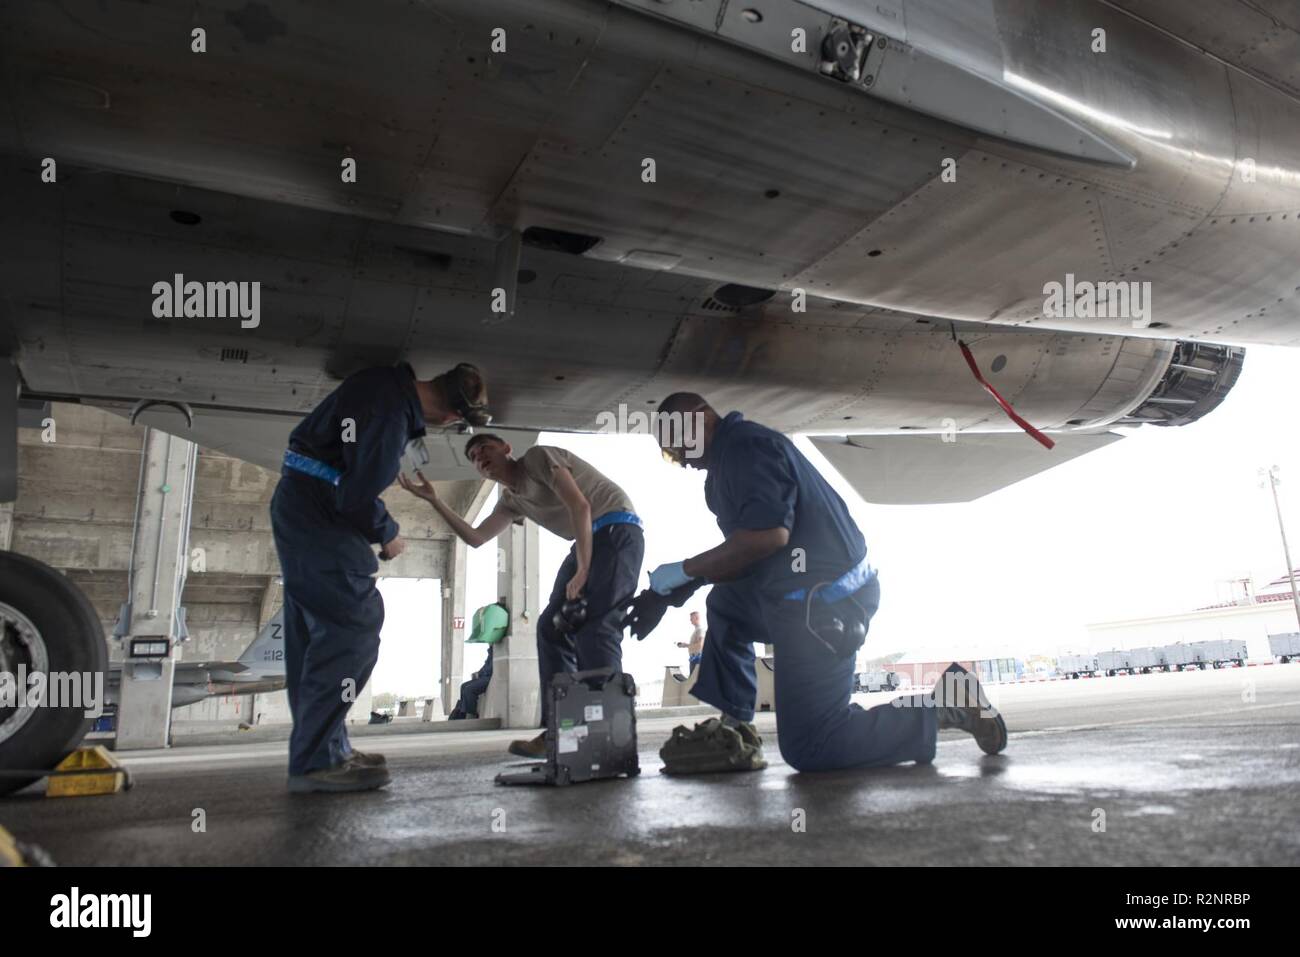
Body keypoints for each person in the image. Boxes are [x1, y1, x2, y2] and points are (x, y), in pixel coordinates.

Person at [645, 392, 1007, 774]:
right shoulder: (723, 471)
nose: (682, 461)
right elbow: (747, 557)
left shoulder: (747, 447)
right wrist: (676, 589)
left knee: (812, 746)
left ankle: (949, 703)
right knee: (727, 604)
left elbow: (768, 536)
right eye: (672, 456)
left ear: (700, 418)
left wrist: (685, 570)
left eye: (676, 445)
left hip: (825, 602)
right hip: (793, 594)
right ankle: (735, 729)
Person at [270, 361, 490, 792]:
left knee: (313, 636)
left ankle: (324, 751)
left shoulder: (384, 382)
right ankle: (318, 762)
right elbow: (355, 494)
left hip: (301, 506)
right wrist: (387, 533)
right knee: (352, 625)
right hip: (321, 513)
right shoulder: (391, 417)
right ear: (451, 417)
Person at [399, 435, 644, 758]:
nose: (479, 457)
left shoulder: (538, 459)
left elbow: (579, 505)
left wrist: (583, 569)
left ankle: (611, 733)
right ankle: (562, 729)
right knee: (551, 629)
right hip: (586, 543)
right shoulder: (512, 500)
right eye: (473, 456)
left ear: (506, 448)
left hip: (616, 530)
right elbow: (475, 538)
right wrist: (434, 500)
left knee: (595, 630)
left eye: (485, 448)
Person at [449, 602, 509, 720]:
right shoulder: (492, 649)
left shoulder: (498, 649)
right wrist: (479, 673)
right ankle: (462, 713)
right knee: (463, 686)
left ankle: (471, 715)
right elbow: (486, 665)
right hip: (485, 676)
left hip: (490, 678)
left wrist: (481, 674)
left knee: (469, 690)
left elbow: (491, 669)